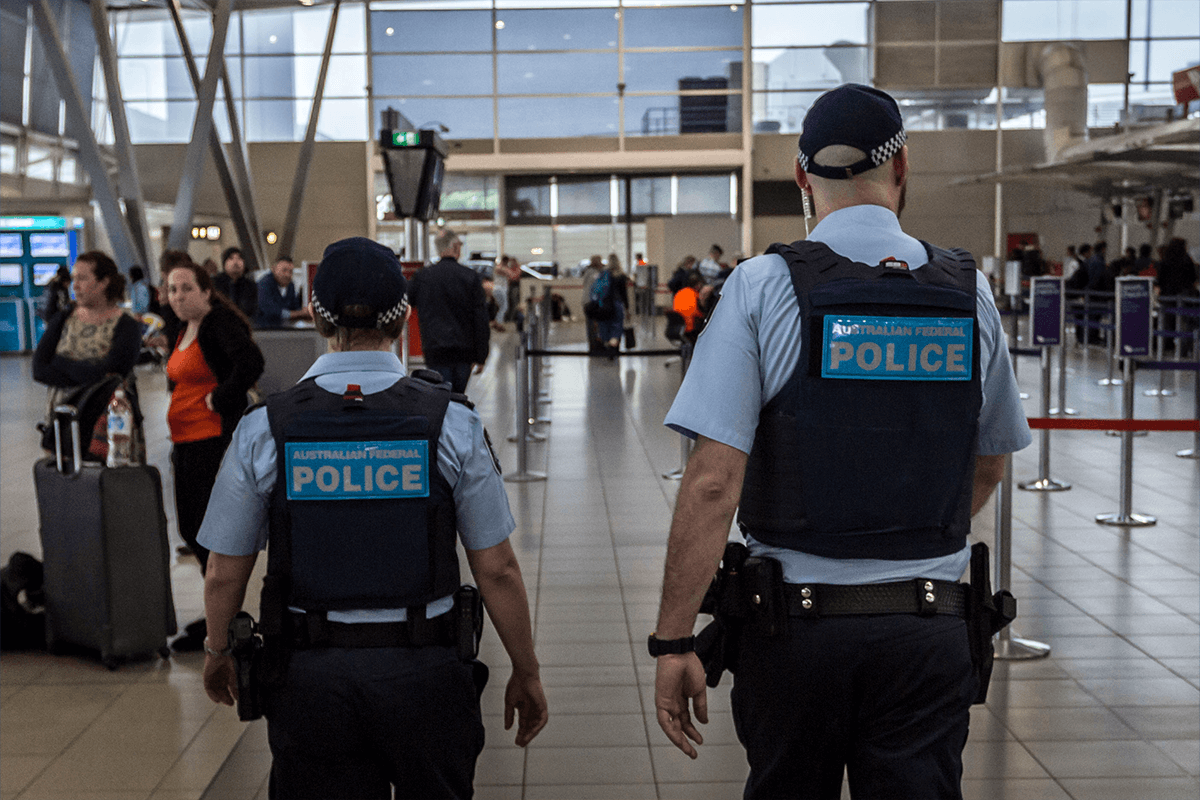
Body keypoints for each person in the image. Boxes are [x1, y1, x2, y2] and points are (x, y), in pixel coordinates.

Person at [651, 83, 1031, 800]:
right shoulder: (968, 292)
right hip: (929, 629)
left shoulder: (762, 286)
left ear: (802, 176)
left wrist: (674, 640)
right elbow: (989, 462)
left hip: (795, 635)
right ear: (903, 167)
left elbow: (711, 481)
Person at [198, 237, 547, 798]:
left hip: (309, 681)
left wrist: (218, 650)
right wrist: (526, 670)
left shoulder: (266, 427)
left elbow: (223, 569)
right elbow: (498, 567)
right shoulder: (451, 423)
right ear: (405, 316)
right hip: (426, 677)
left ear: (315, 314)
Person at [160, 258, 264, 651]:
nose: (179, 296)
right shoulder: (183, 328)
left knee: (206, 530)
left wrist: (220, 396)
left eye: (187, 288)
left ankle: (219, 620)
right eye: (172, 289)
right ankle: (217, 614)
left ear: (206, 291)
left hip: (211, 439)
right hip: (185, 439)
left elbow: (251, 362)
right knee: (190, 528)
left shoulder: (219, 323)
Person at [33, 251, 143, 458]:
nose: (75, 285)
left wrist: (60, 363)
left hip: (107, 422)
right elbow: (39, 369)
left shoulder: (126, 326)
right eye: (74, 278)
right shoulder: (63, 318)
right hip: (62, 420)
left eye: (82, 278)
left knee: (107, 485)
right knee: (64, 484)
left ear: (103, 282)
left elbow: (111, 376)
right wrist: (89, 371)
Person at [407, 229, 491, 394]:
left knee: (441, 396)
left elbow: (408, 301)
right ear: (455, 247)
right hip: (464, 350)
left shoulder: (423, 276)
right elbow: (480, 318)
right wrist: (481, 355)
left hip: (434, 348)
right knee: (458, 396)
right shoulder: (470, 277)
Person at [255, 256, 312, 328]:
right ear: (274, 269)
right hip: (265, 329)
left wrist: (303, 313)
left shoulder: (290, 286)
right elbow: (271, 311)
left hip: (285, 329)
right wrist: (300, 314)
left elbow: (295, 306)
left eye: (290, 271)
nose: (287, 275)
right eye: (284, 270)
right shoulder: (264, 284)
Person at [212, 246, 258, 321]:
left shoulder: (250, 285)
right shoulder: (215, 283)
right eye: (231, 258)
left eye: (239, 258)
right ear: (224, 264)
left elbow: (252, 310)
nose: (235, 262)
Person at [595, 253, 629, 353]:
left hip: (604, 304)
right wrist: (627, 308)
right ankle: (615, 346)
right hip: (617, 304)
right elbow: (624, 294)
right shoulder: (621, 276)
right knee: (617, 325)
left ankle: (607, 346)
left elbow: (598, 290)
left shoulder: (603, 273)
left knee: (605, 325)